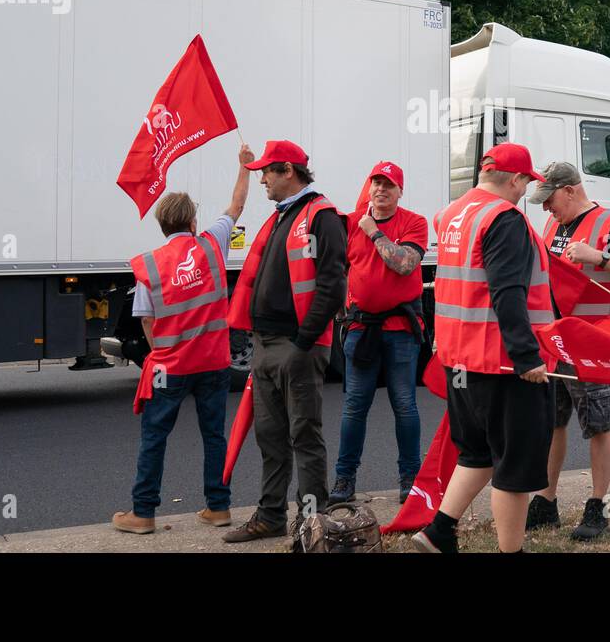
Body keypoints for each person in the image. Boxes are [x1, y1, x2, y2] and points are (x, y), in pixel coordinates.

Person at [412, 144, 554, 554]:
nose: (525, 191)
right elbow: (506, 292)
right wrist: (526, 357)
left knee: (476, 453)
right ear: (514, 179)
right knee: (514, 466)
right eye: (526, 182)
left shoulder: (452, 214)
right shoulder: (503, 218)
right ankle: (512, 550)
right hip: (503, 364)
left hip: (460, 360)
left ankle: (440, 530)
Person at [113, 144, 254, 535]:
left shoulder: (150, 266)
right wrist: (243, 166)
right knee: (214, 435)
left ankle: (143, 513)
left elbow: (147, 322)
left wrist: (163, 351)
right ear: (193, 222)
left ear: (162, 226)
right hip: (213, 361)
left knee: (155, 436)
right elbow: (236, 206)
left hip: (170, 367)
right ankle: (219, 507)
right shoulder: (212, 244)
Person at [222, 140, 348, 543]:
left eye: (266, 172)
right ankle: (270, 516)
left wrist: (304, 342)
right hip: (266, 343)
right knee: (271, 437)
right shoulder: (283, 216)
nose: (262, 180)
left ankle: (312, 524)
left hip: (297, 347)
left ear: (288, 171)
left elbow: (333, 286)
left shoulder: (321, 215)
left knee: (304, 435)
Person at [524, 162, 610, 541]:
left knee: (599, 424)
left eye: (549, 200)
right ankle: (546, 502)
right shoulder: (554, 225)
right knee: (553, 421)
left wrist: (600, 258)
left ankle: (597, 505)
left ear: (569, 190)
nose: (546, 208)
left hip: (595, 343)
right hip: (557, 340)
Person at [330, 161, 428, 506]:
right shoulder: (348, 224)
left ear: (400, 191)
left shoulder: (414, 222)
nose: (381, 190)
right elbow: (337, 268)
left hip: (401, 330)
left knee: (404, 405)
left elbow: (404, 264)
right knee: (354, 407)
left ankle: (410, 479)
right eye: (376, 183)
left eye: (388, 185)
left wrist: (373, 230)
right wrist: (343, 310)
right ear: (369, 187)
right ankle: (344, 481)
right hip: (361, 329)